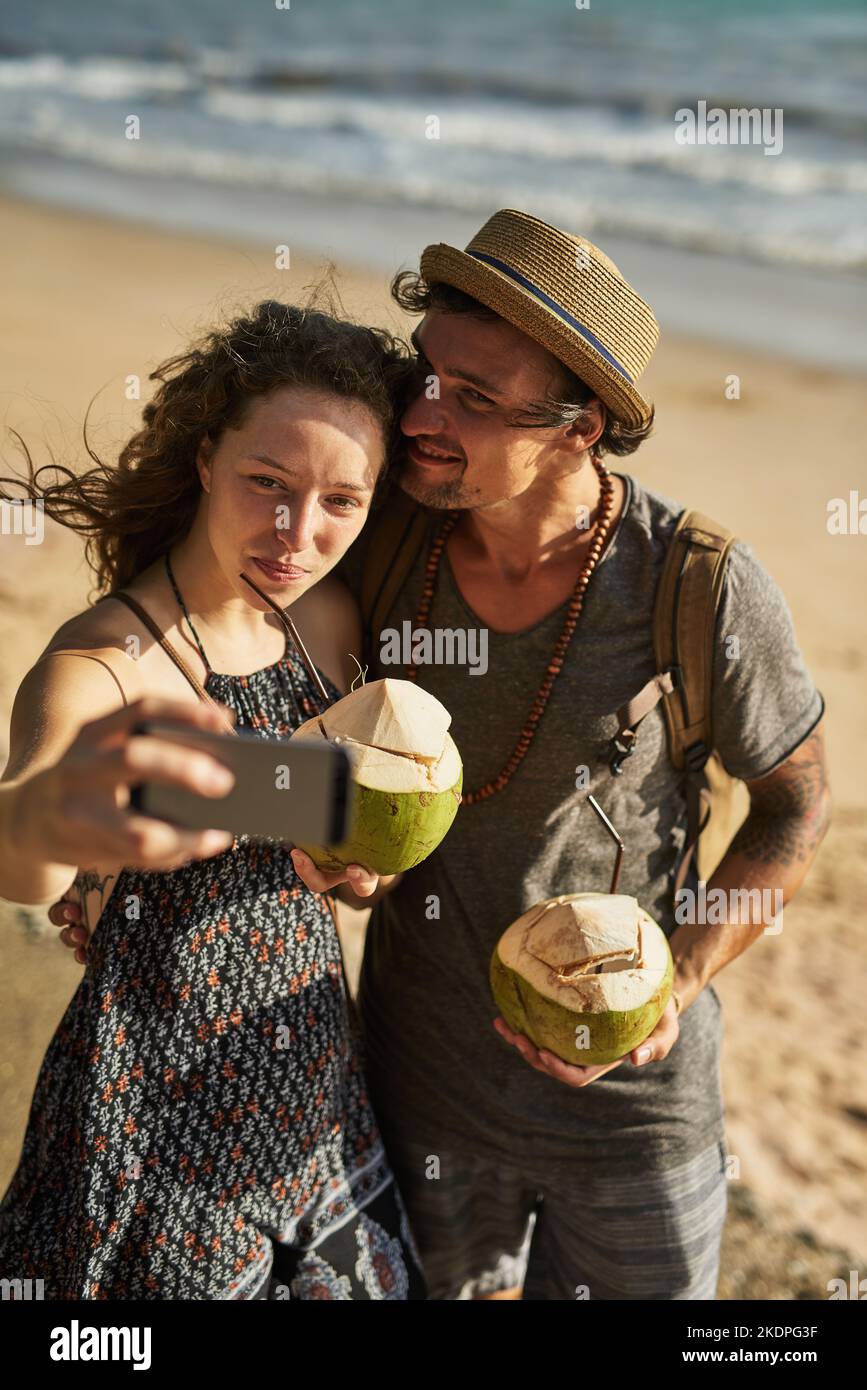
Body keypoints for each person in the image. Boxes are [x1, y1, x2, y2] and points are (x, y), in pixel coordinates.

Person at [51, 210, 832, 1302]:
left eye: (476, 399)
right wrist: (107, 848)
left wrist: (681, 983)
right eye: (429, 374)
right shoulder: (383, 539)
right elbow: (220, 667)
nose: (421, 415)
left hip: (633, 1119)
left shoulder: (695, 584)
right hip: (415, 1096)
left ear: (580, 425)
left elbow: (796, 808)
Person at [0, 299, 427, 1300]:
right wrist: (56, 816)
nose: (298, 532)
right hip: (149, 1123)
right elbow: (23, 847)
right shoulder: (102, 666)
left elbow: (334, 836)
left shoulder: (326, 621)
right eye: (267, 483)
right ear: (204, 459)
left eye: (340, 502)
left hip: (313, 1098)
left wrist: (357, 867)